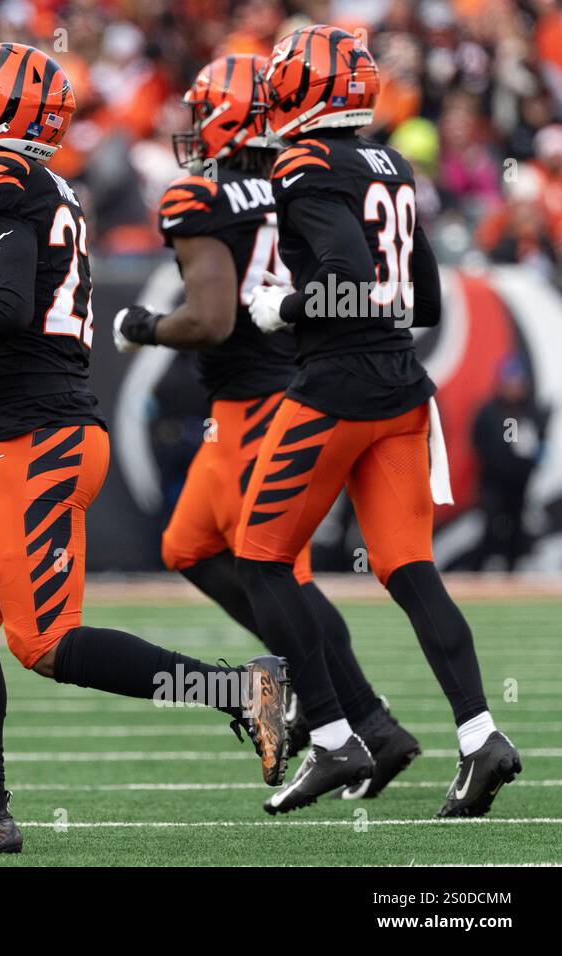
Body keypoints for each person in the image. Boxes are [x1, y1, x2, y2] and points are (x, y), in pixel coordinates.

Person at [0, 42, 288, 856]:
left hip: (44, 444)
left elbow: (0, 308)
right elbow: (37, 339)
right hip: (26, 432)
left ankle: (239, 688)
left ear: (2, 110)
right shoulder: (41, 185)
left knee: (44, 643)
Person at [113, 54, 419, 797]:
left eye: (203, 111)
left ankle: (365, 724)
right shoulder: (300, 178)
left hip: (261, 406)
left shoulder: (205, 196)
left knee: (280, 572)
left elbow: (213, 321)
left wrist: (144, 325)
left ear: (229, 117)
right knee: (188, 545)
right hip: (266, 395)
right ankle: (327, 702)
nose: (192, 127)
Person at [238, 25, 519, 817]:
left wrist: (280, 307)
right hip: (400, 384)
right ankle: (479, 738)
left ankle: (333, 738)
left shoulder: (304, 163)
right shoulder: (390, 161)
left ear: (306, 93)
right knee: (407, 567)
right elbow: (423, 299)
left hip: (338, 389)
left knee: (260, 559)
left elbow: (346, 279)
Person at [464, 355, 547, 571]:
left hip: (520, 487)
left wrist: (530, 463)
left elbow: (540, 445)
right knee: (489, 531)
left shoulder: (532, 413)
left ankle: (512, 576)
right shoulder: (489, 412)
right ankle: (478, 575)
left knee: (517, 535)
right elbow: (478, 442)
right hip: (493, 485)